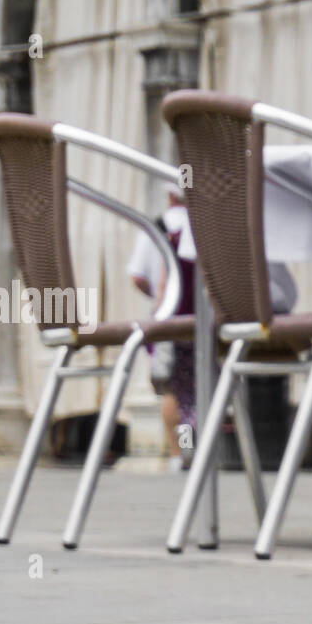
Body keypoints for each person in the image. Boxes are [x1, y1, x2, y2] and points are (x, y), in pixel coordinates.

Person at [128, 190, 195, 471]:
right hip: (199, 320)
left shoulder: (155, 227)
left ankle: (178, 455)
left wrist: (156, 293)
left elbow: (137, 276)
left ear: (169, 196)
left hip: (166, 319)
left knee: (170, 387)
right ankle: (197, 450)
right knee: (202, 386)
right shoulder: (203, 225)